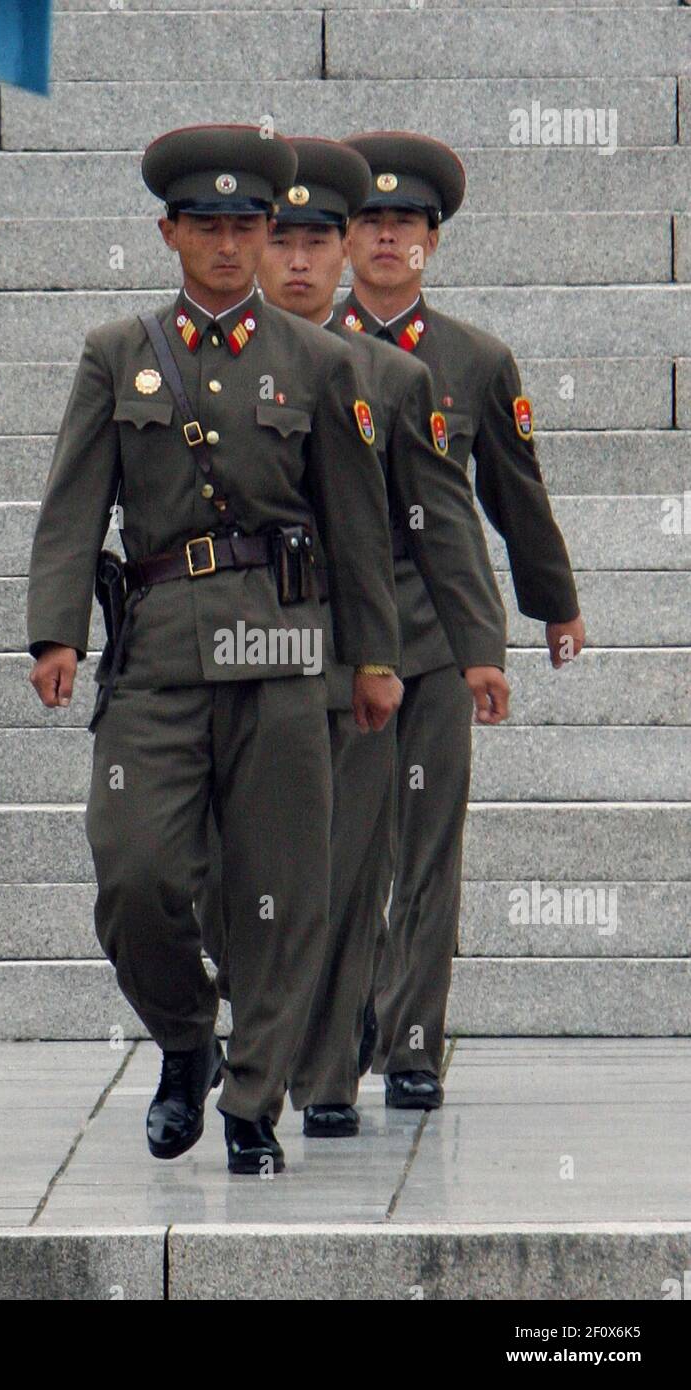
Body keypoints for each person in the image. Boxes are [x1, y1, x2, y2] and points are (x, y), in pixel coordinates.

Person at [25, 124, 403, 1174]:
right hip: (156, 656)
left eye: (249, 225)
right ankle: (187, 1039)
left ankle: (252, 1098)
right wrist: (56, 628)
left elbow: (358, 523)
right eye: (210, 226)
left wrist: (372, 657)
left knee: (285, 889)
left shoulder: (321, 363)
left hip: (283, 653)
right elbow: (72, 505)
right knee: (134, 870)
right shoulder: (118, 357)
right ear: (170, 232)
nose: (233, 245)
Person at [200, 135, 509, 1138]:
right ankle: (245, 1031)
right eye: (276, 238)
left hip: (358, 653)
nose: (293, 260)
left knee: (349, 862)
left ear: (337, 254)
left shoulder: (395, 378)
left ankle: (326, 1076)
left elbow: (443, 521)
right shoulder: (198, 366)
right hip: (234, 648)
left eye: (311, 241)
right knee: (221, 866)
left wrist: (477, 644)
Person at [340, 130, 586, 1109]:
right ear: (345, 238)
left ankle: (409, 1044)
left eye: (407, 224)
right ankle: (336, 1024)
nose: (390, 238)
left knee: (427, 845)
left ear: (431, 242)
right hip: (333, 638)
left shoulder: (475, 359)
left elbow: (514, 496)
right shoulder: (302, 344)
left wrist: (554, 602)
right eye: (372, 222)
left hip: (436, 639)